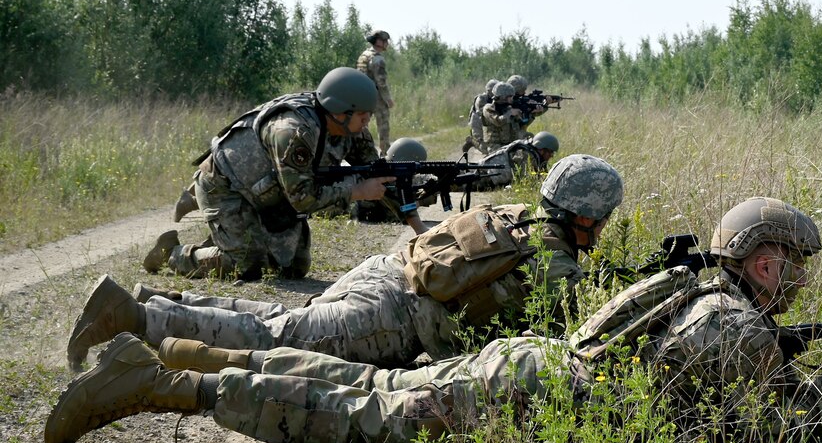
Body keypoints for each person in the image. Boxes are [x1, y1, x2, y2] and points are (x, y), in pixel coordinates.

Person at [47, 197, 822, 443]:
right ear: (758, 260)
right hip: (530, 396)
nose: (799, 278)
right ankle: (162, 384)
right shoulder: (732, 324)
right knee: (357, 417)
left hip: (531, 371)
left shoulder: (698, 289)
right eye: (790, 261)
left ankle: (197, 350)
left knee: (372, 387)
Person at [63, 154, 624, 374]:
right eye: (603, 218)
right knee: (271, 336)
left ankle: (153, 305)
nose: (603, 229)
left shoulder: (519, 214)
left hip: (382, 272)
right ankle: (135, 319)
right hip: (389, 317)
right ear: (586, 216)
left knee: (277, 319)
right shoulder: (558, 271)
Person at [140, 67, 392, 284]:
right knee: (246, 266)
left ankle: (229, 237)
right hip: (225, 185)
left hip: (268, 189)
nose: (367, 121)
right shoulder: (292, 132)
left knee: (294, 267)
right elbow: (303, 199)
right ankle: (171, 254)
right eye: (363, 115)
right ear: (340, 111)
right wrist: (358, 191)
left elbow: (379, 173)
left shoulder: (352, 129)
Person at [350, 137, 434, 230]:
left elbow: (425, 180)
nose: (415, 173)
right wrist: (422, 200)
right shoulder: (382, 180)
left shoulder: (389, 173)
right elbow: (397, 213)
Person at [471, 131, 559, 191]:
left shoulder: (533, 153)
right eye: (550, 152)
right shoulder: (525, 154)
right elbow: (526, 181)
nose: (551, 155)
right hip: (485, 176)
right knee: (462, 185)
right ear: (541, 149)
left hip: (492, 176)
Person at [356, 29, 395, 153]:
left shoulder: (364, 55)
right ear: (378, 42)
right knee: (383, 127)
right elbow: (381, 82)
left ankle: (361, 152)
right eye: (385, 41)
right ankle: (386, 155)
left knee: (361, 126)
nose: (387, 44)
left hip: (362, 96)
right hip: (376, 96)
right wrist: (388, 99)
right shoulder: (377, 59)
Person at [480, 82, 524, 153]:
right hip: (495, 147)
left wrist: (531, 112)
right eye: (510, 96)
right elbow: (498, 121)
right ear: (503, 97)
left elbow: (522, 124)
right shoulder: (488, 108)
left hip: (510, 144)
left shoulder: (508, 108)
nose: (512, 99)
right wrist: (510, 113)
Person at [464, 79, 499, 153]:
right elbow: (482, 113)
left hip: (486, 123)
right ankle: (472, 141)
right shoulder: (482, 99)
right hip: (478, 123)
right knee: (485, 149)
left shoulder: (496, 99)